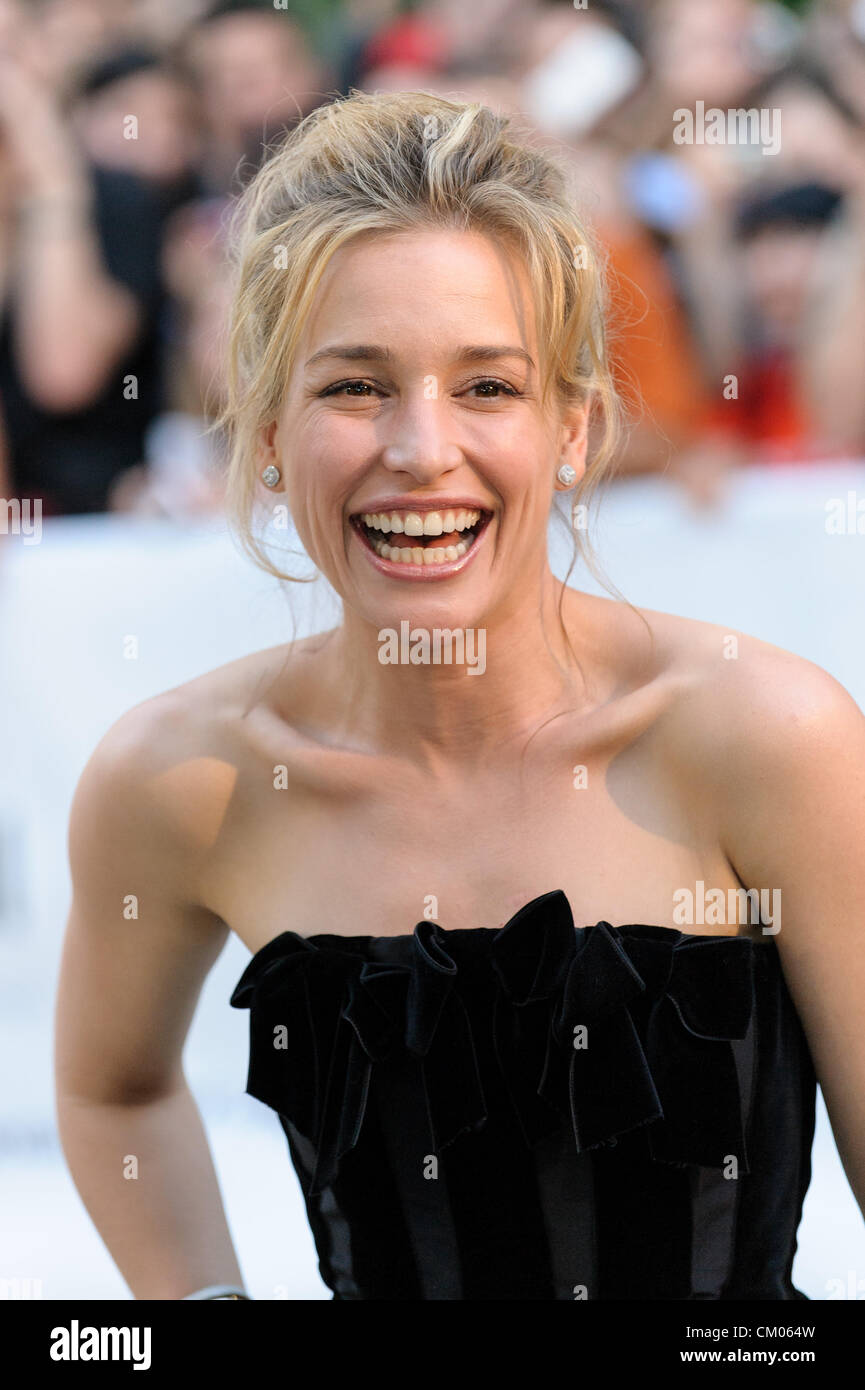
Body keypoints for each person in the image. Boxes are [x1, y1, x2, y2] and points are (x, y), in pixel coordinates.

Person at [55, 91, 865, 1301]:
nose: (421, 449)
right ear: (268, 431)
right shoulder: (179, 782)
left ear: (574, 429)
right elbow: (108, 1085)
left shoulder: (767, 737)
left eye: (487, 386)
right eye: (354, 387)